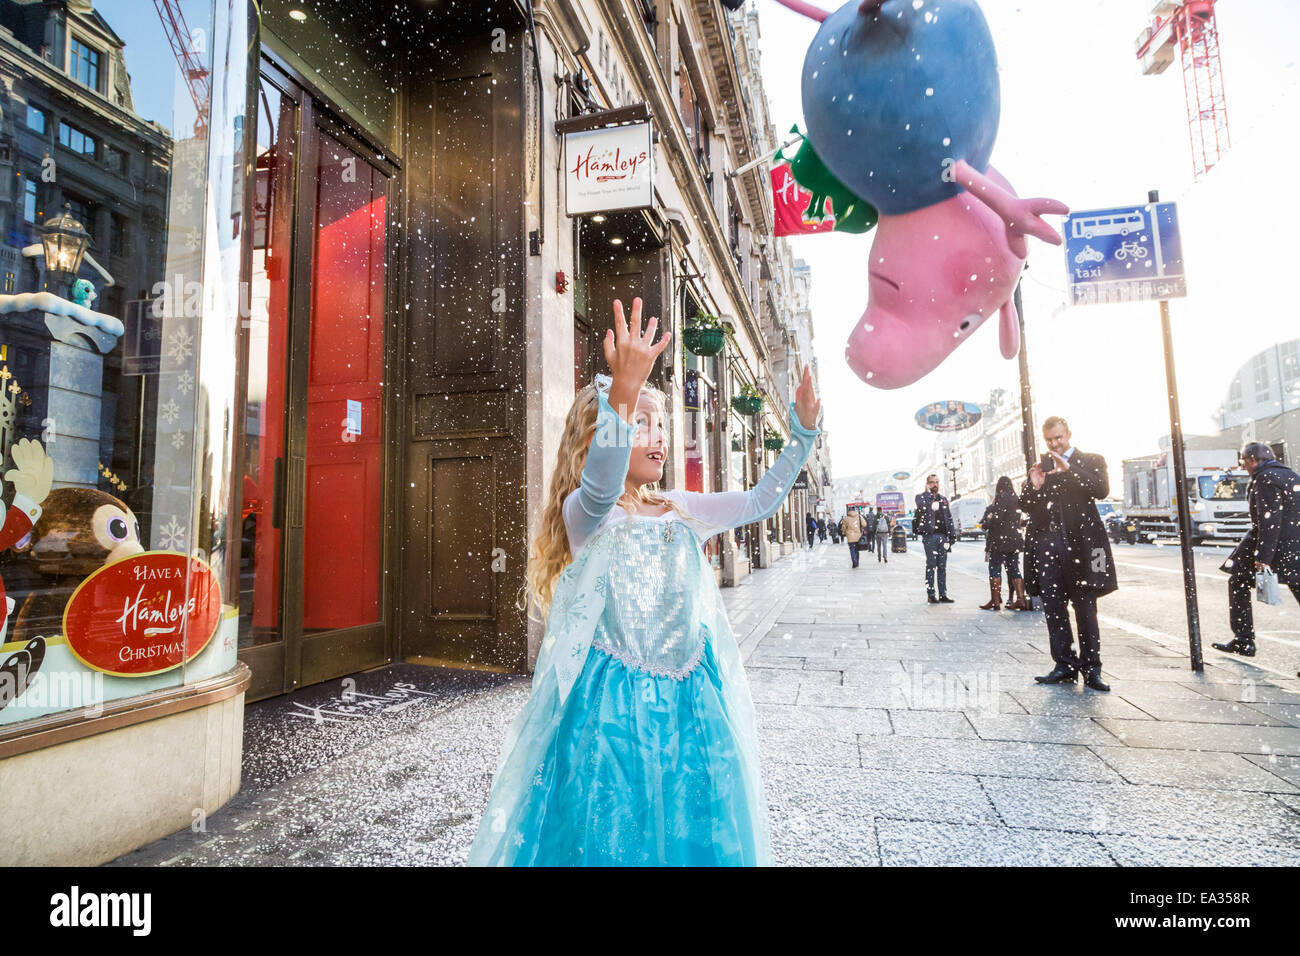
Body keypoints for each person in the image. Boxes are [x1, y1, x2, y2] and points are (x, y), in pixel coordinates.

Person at [468, 298, 821, 866]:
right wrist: (622, 395)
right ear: (597, 440)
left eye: (661, 425)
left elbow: (760, 500)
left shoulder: (681, 508)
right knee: (616, 836)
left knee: (691, 830)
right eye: (641, 425)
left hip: (692, 707)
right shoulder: (587, 513)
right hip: (610, 718)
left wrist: (801, 434)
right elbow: (604, 484)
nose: (658, 437)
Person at [1020, 416, 1116, 692]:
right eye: (1050, 439)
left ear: (1069, 434)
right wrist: (1035, 485)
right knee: (1053, 608)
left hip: (1082, 547)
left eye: (1059, 438)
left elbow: (1100, 489)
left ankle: (1091, 668)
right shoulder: (1043, 467)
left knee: (1086, 609)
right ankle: (1064, 664)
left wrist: (1070, 468)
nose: (1055, 444)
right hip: (1047, 546)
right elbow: (1026, 506)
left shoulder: (1091, 460)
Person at [1212, 443, 1300, 657]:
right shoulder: (1292, 476)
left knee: (1238, 582)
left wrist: (1263, 557)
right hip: (1295, 544)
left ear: (1252, 459)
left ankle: (1244, 639)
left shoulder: (1265, 478)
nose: (1243, 467)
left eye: (1243, 462)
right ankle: (1243, 640)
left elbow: (1269, 521)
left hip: (1278, 545)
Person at [980, 476, 1029, 611]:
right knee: (1014, 569)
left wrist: (986, 524)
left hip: (1000, 540)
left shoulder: (1002, 496)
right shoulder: (1015, 498)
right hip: (1014, 539)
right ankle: (1021, 599)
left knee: (994, 568)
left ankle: (995, 601)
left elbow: (997, 518)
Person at [914, 474, 955, 603]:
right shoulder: (921, 497)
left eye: (937, 482)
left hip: (943, 537)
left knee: (942, 566)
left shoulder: (943, 499)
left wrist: (952, 534)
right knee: (931, 565)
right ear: (927, 484)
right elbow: (922, 507)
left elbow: (949, 517)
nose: (935, 485)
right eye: (932, 482)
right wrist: (927, 493)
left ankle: (943, 594)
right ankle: (931, 593)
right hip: (930, 536)